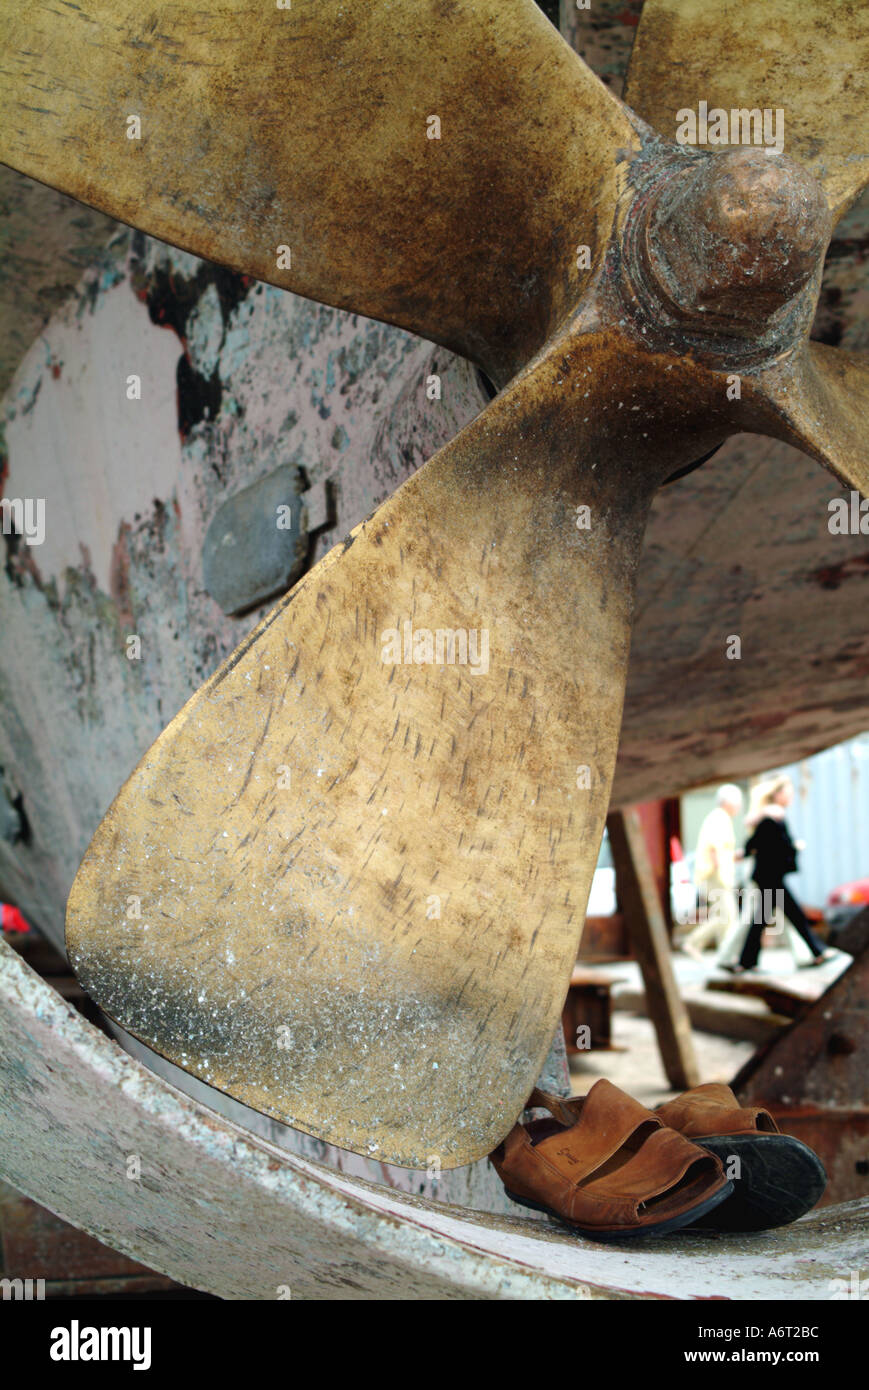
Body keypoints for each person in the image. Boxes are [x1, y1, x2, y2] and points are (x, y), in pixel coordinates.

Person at [727, 775, 833, 973]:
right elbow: (759, 845)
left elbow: (756, 845)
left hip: (770, 877)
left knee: (764, 918)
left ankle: (746, 961)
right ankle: (817, 951)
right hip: (770, 878)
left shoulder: (770, 816)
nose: (791, 796)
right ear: (777, 794)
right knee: (792, 915)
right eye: (788, 792)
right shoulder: (770, 818)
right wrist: (793, 847)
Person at [680, 784, 743, 958]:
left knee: (723, 915)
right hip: (715, 876)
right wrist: (718, 869)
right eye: (737, 803)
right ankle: (693, 942)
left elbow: (723, 850)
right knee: (728, 916)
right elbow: (714, 848)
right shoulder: (719, 818)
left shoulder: (721, 818)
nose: (739, 807)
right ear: (727, 802)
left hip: (718, 875)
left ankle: (726, 953)